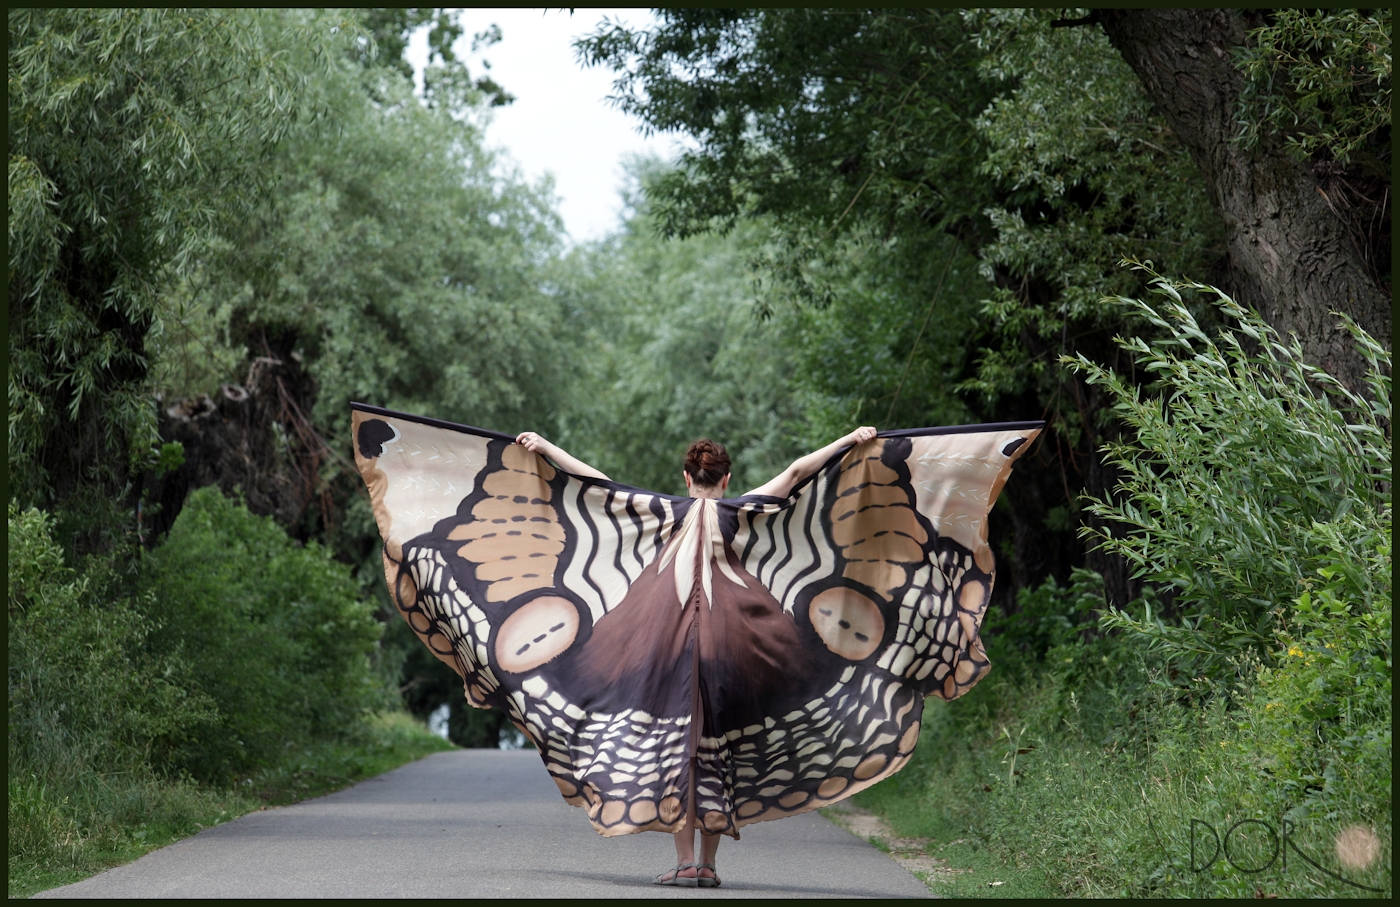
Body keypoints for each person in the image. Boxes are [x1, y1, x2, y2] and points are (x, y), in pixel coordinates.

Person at [514, 426, 878, 889]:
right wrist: (849, 439)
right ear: (726, 480)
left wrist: (545, 448)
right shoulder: (739, 511)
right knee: (717, 746)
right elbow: (798, 471)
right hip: (733, 650)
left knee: (681, 752)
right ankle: (706, 864)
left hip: (671, 649)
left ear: (687, 478)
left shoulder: (668, 513)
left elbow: (596, 483)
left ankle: (685, 863)